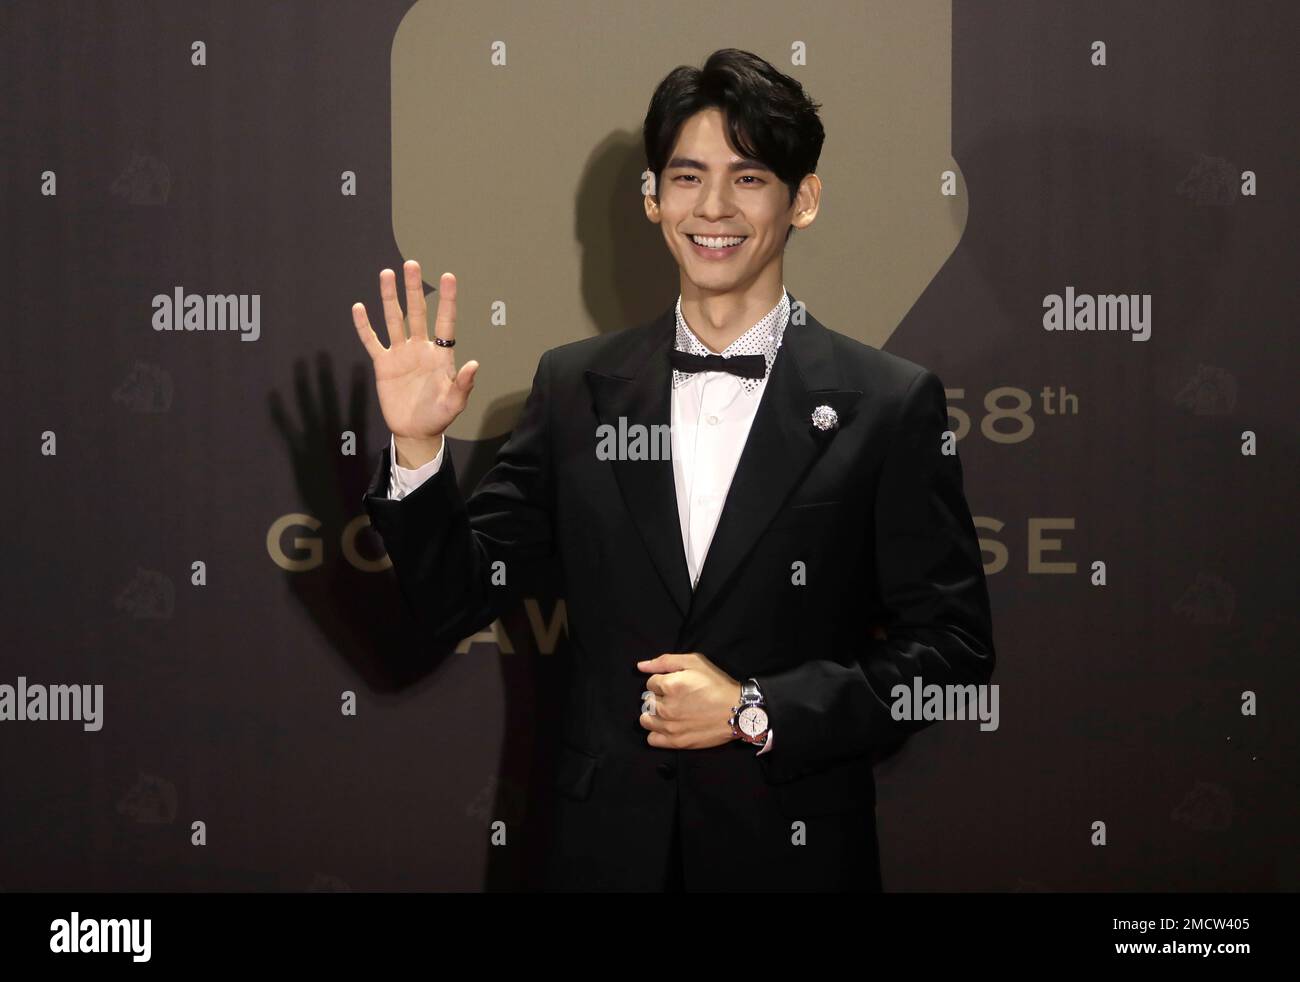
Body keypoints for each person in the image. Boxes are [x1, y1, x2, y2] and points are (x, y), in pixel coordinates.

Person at [351, 48, 995, 891]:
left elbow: (952, 652)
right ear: (653, 199)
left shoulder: (888, 402)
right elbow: (455, 598)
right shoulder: (575, 387)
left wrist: (754, 709)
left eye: (750, 177)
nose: (714, 209)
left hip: (794, 853)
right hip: (598, 852)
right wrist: (418, 451)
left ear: (804, 200)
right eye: (687, 178)